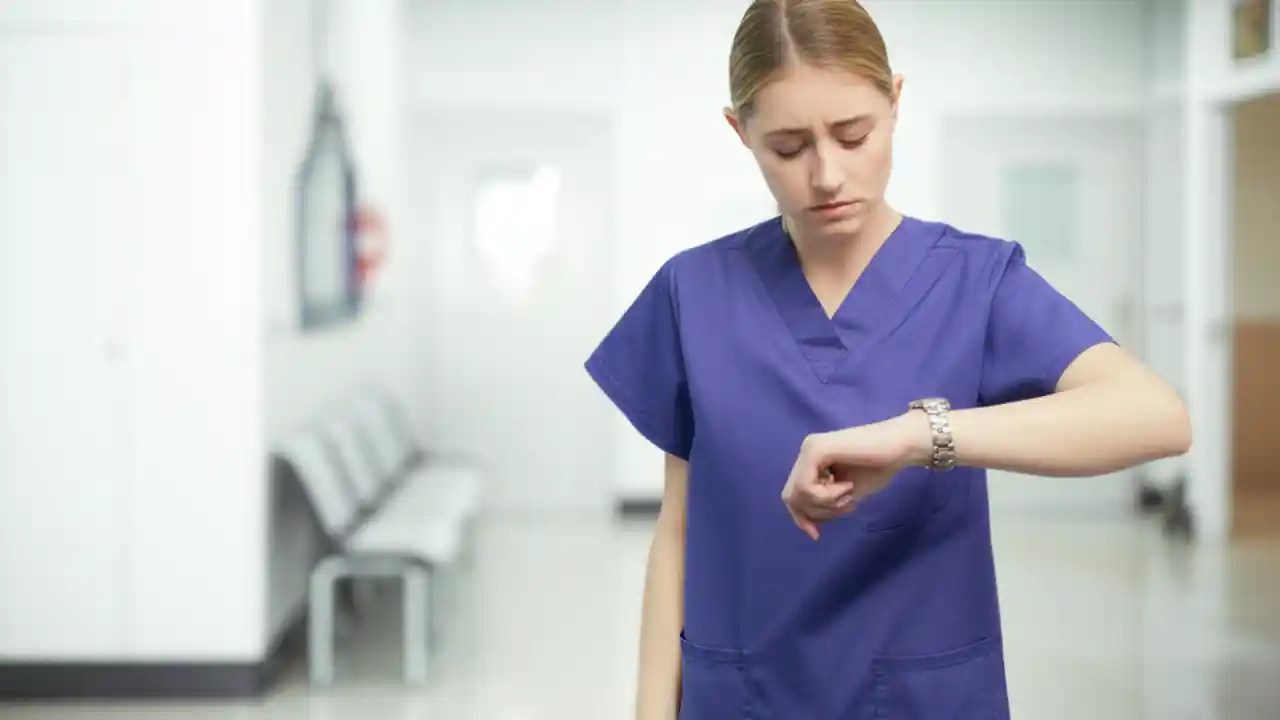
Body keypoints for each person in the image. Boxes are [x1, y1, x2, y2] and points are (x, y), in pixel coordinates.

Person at [584, 1, 1193, 717]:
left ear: (895, 101)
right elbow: (678, 530)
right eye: (788, 147)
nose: (828, 175)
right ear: (739, 131)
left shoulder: (975, 281)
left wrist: (918, 437)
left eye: (853, 134)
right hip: (743, 697)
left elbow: (1158, 418)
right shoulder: (694, 291)